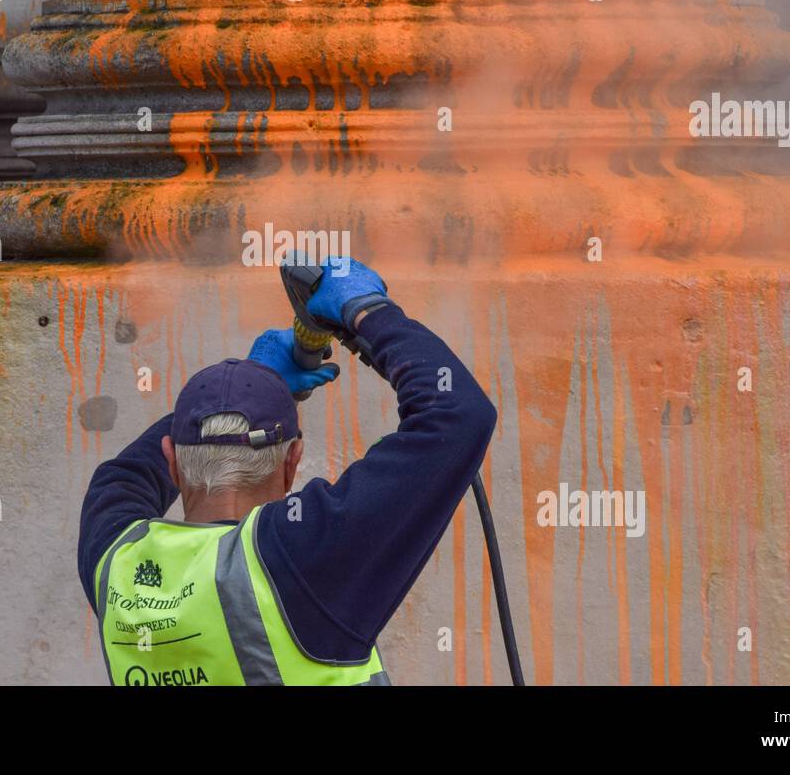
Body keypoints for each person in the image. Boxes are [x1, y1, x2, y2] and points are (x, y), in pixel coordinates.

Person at [77, 257, 497, 685]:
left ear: (172, 461)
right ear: (292, 461)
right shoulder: (298, 556)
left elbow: (122, 477)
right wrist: (367, 310)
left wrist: (246, 389)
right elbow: (458, 416)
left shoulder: (117, 560)